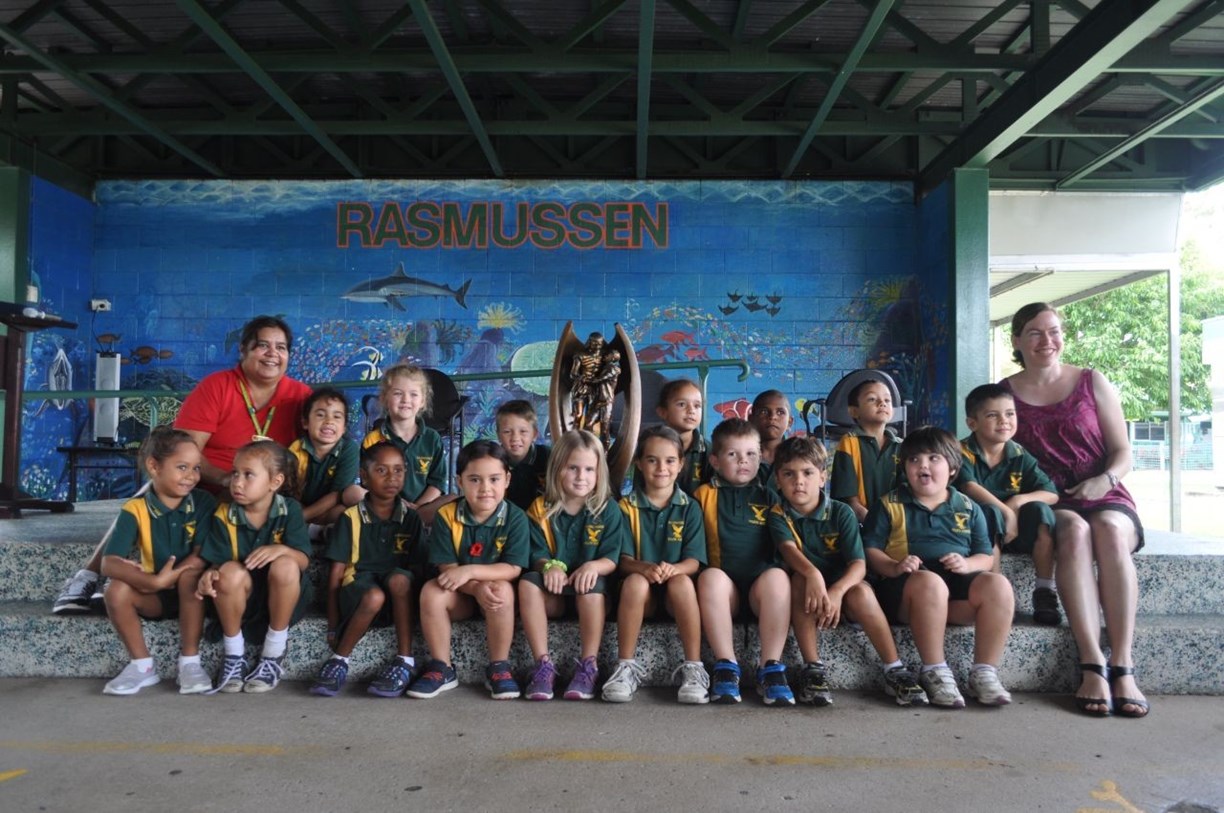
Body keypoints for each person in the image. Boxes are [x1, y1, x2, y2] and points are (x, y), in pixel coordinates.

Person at [54, 316, 312, 615]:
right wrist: (226, 479)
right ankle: (88, 576)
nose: (272, 354)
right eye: (263, 345)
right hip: (207, 484)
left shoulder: (300, 396)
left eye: (281, 347)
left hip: (263, 494)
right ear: (243, 350)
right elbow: (186, 453)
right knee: (153, 489)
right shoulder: (217, 386)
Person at [1003, 302, 1148, 718]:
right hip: (1050, 500)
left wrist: (1104, 480)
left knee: (1109, 530)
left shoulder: (1091, 381)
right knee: (1074, 532)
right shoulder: (1005, 392)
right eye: (1034, 332)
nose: (1046, 340)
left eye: (1053, 331)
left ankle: (1122, 663)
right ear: (1017, 340)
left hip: (1105, 491)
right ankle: (1091, 663)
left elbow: (1123, 452)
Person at [863, 426, 1016, 709]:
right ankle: (934, 669)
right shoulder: (889, 504)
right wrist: (896, 566)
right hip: (906, 594)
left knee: (998, 585)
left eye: (934, 458)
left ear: (953, 468)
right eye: (914, 460)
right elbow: (870, 551)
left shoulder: (969, 507)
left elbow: (985, 556)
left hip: (954, 597)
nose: (923, 465)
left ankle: (984, 672)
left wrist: (967, 563)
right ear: (905, 469)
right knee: (930, 582)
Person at [769, 436, 928, 707]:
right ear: (777, 480)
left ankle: (894, 668)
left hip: (845, 588)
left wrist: (837, 591)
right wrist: (814, 576)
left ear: (822, 477)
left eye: (807, 473)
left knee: (862, 594)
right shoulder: (778, 514)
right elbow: (788, 550)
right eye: (789, 474)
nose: (799, 481)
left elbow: (858, 564)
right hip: (809, 590)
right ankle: (813, 668)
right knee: (798, 579)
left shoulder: (841, 512)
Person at [407, 441, 529, 700]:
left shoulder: (516, 517)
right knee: (431, 591)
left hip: (495, 599)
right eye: (475, 480)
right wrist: (474, 586)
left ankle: (499, 666)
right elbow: (448, 570)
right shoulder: (446, 515)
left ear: (507, 480)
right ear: (459, 481)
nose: (485, 488)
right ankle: (442, 667)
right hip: (460, 595)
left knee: (503, 590)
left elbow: (513, 568)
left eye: (494, 479)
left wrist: (471, 572)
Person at [99, 428, 216, 695]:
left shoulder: (203, 502)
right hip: (155, 597)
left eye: (196, 468)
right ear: (154, 466)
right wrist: (153, 581)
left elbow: (201, 556)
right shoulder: (135, 509)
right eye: (182, 467)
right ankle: (142, 666)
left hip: (198, 595)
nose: (191, 476)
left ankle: (190, 663)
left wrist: (168, 578)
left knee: (189, 574)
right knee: (115, 589)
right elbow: (109, 564)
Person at [310, 443, 425, 697]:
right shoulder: (350, 517)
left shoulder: (411, 518)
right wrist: (332, 623)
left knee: (401, 580)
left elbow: (418, 567)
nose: (391, 478)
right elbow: (336, 575)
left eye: (398, 471)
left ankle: (405, 660)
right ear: (364, 475)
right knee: (374, 596)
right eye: (381, 471)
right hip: (358, 596)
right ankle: (339, 659)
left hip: (397, 599)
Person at [195, 440, 311, 694]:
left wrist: (282, 549)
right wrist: (209, 573)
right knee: (228, 572)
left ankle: (273, 654)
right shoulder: (224, 514)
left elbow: (303, 560)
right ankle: (234, 656)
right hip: (240, 599)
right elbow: (217, 561)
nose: (237, 482)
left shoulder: (289, 510)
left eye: (248, 475)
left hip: (281, 598)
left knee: (286, 565)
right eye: (235, 473)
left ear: (275, 482)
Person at [604, 426, 708, 704]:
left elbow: (693, 562)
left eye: (670, 460)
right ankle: (625, 666)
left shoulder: (690, 507)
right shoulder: (626, 507)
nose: (661, 467)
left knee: (683, 581)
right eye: (652, 460)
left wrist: (674, 570)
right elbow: (622, 561)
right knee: (635, 581)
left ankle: (694, 668)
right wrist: (645, 569)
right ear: (639, 463)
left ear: (681, 464)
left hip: (677, 596)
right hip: (642, 598)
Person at [693, 418, 793, 706]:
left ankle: (770, 666)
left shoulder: (771, 496)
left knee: (778, 577)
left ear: (761, 456)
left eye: (750, 454)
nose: (743, 462)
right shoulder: (704, 495)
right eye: (732, 455)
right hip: (727, 593)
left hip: (761, 592)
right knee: (710, 577)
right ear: (715, 460)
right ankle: (726, 664)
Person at [520, 430, 624, 701]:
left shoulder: (608, 508)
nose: (581, 476)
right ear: (557, 469)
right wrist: (550, 567)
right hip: (554, 594)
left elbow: (612, 558)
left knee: (592, 585)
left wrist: (593, 567)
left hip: (592, 595)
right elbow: (535, 554)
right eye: (573, 468)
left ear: (599, 472)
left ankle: (589, 665)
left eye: (589, 469)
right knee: (527, 583)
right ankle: (543, 666)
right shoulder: (540, 508)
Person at [955, 384, 1060, 624]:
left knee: (1041, 512)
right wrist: (1006, 512)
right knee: (989, 513)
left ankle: (1044, 590)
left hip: (1014, 535)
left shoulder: (1019, 454)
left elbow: (1051, 493)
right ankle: (997, 590)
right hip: (975, 535)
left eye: (1010, 414)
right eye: (993, 415)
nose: (1004, 421)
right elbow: (968, 487)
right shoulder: (961, 451)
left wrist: (1017, 501)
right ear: (972, 423)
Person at [362, 363, 449, 526]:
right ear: (384, 399)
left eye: (413, 394)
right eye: (398, 393)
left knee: (454, 500)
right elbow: (367, 483)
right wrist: (396, 504)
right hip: (385, 507)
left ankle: (412, 522)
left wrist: (417, 507)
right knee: (353, 494)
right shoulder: (373, 440)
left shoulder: (432, 438)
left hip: (421, 509)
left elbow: (437, 483)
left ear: (423, 401)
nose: (406, 400)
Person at [288, 387, 363, 533]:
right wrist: (299, 513)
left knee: (353, 498)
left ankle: (311, 529)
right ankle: (315, 531)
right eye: (321, 415)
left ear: (344, 427)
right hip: (300, 506)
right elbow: (291, 494)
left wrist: (303, 517)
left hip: (328, 508)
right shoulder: (296, 450)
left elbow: (337, 494)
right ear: (305, 423)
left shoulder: (349, 449)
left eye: (337, 416)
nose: (329, 421)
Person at [830, 378, 902, 522]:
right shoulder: (849, 443)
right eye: (872, 399)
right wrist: (874, 523)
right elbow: (850, 501)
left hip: (897, 522)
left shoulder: (902, 446)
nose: (882, 403)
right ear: (854, 411)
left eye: (887, 400)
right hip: (861, 522)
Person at [655, 378, 708, 494]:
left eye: (697, 405)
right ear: (663, 412)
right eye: (682, 404)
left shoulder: (709, 451)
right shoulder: (651, 447)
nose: (691, 410)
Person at [496, 399, 550, 511]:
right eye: (507, 432)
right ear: (498, 435)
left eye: (523, 431)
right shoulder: (493, 461)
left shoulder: (548, 457)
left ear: (535, 434)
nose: (515, 438)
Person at [749, 389, 793, 487]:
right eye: (764, 411)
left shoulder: (798, 455)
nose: (772, 417)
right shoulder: (739, 455)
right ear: (751, 419)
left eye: (780, 412)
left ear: (790, 422)